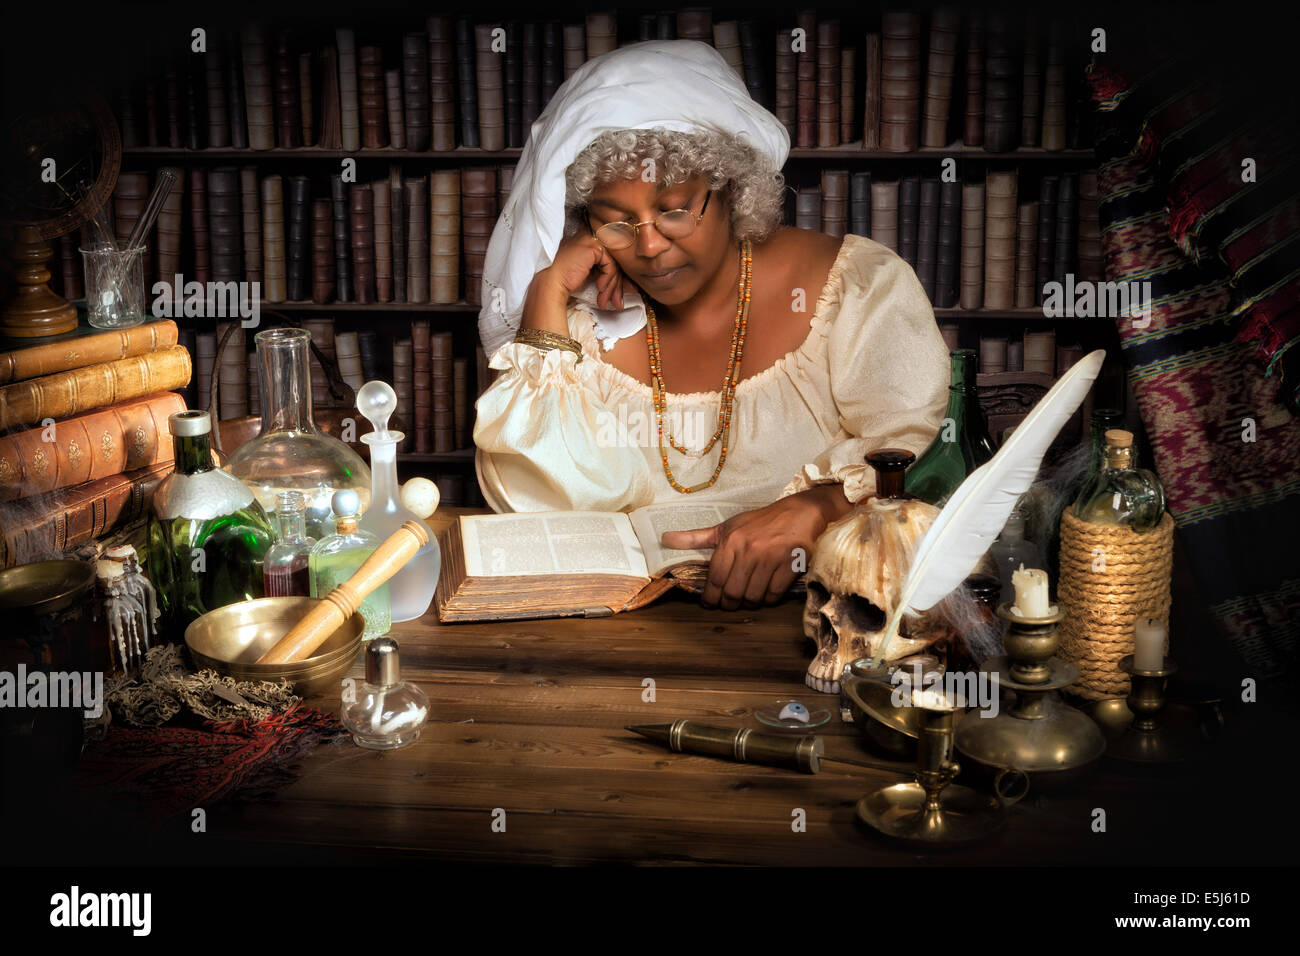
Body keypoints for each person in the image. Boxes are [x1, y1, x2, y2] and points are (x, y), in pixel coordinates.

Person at [474, 40, 949, 611]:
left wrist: (819, 507)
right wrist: (546, 293)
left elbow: (928, 463)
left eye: (675, 208)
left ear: (732, 188)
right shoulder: (574, 327)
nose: (649, 247)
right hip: (608, 641)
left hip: (817, 631)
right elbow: (533, 503)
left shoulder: (851, 286)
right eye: (616, 221)